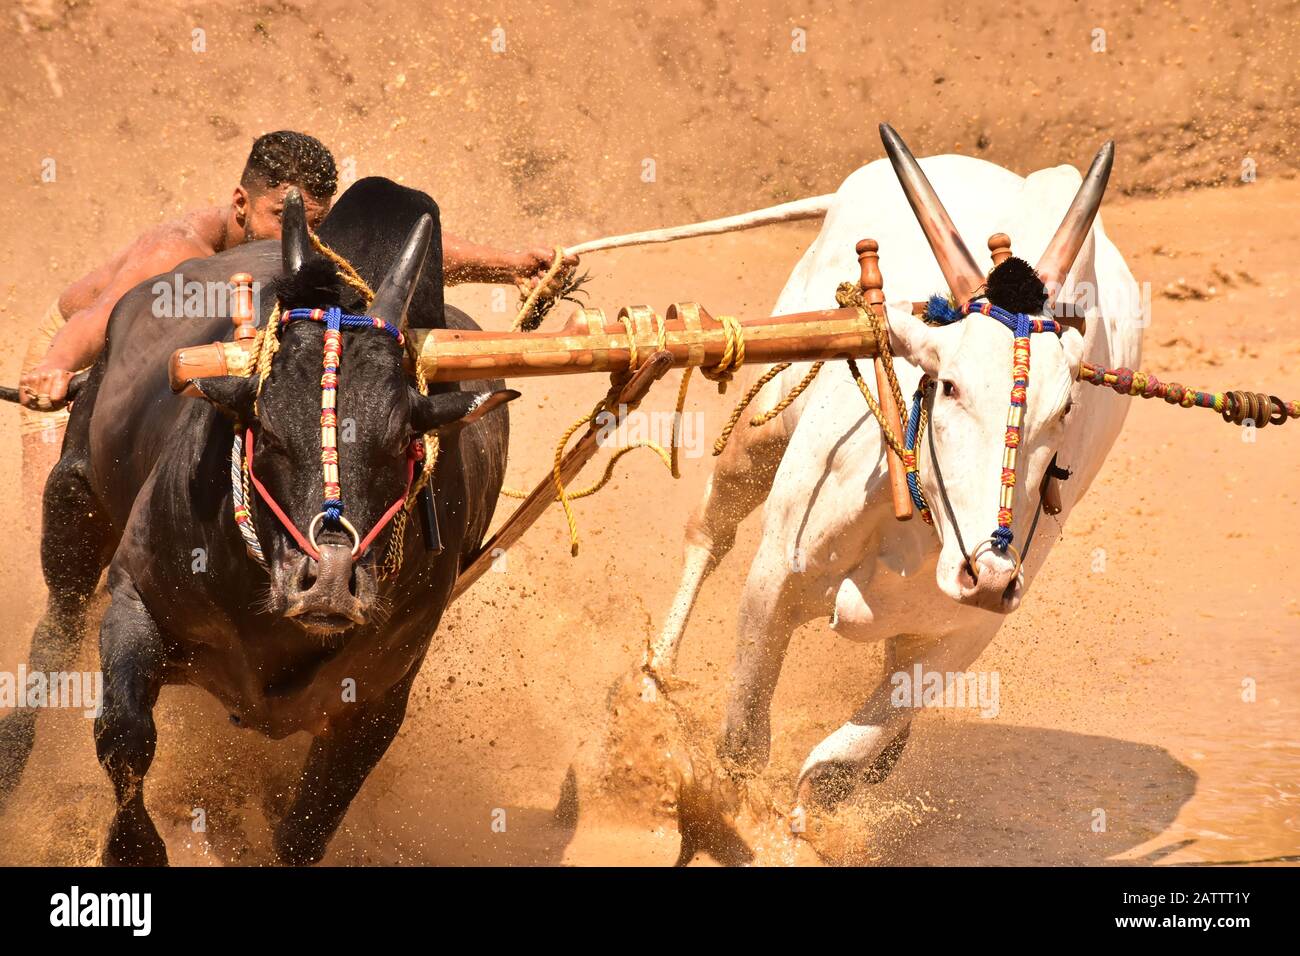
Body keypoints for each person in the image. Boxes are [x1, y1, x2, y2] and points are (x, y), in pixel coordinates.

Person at [18, 129, 576, 530]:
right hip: (78, 352)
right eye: (284, 223)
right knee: (76, 508)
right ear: (241, 203)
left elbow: (391, 256)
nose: (299, 242)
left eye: (314, 227)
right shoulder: (176, 258)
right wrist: (51, 372)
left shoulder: (293, 243)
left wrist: (508, 267)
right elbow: (92, 324)